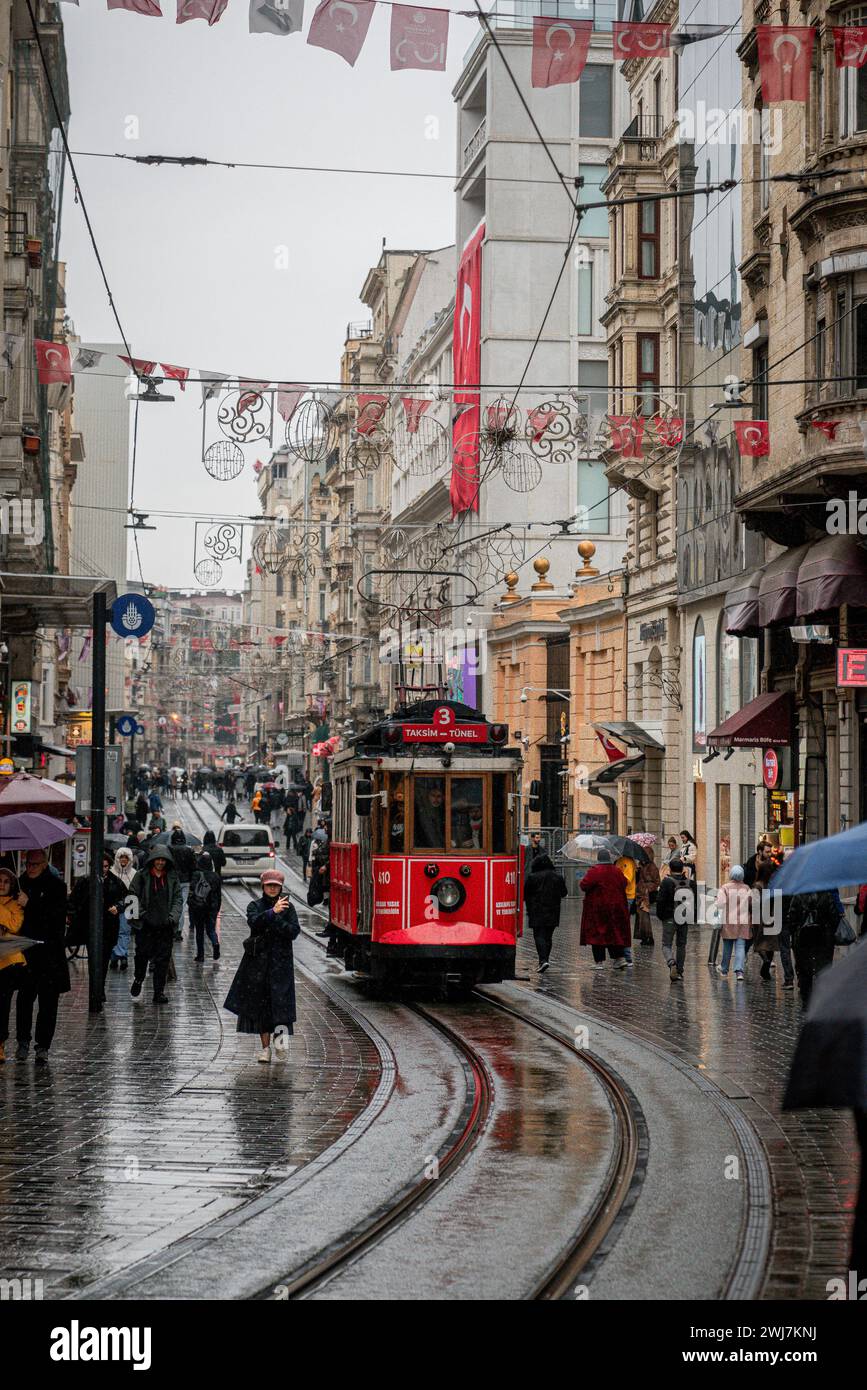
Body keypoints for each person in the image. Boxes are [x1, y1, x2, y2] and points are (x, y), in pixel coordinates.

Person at [224, 869, 300, 1064]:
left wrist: (277, 918)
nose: (272, 889)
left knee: (281, 1007)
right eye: (269, 885)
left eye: (276, 885)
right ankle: (265, 1049)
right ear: (263, 886)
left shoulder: (289, 908)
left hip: (281, 964)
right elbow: (254, 923)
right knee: (262, 1008)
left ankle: (280, 1043)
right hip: (258, 964)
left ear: (281, 887)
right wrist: (271, 913)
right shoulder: (255, 905)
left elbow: (293, 932)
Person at [15, 850, 69, 1061]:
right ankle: (22, 1041)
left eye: (35, 864)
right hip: (26, 953)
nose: (30, 868)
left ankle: (42, 1045)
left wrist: (31, 904)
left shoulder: (57, 887)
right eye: (28, 864)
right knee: (24, 1000)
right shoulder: (19, 884)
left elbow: (55, 920)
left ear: (45, 864)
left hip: (49, 954)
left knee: (48, 1003)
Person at [128, 846, 182, 1005]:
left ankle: (159, 992)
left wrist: (172, 918)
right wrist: (143, 915)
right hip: (146, 926)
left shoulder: (172, 877)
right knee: (142, 955)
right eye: (157, 860)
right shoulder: (141, 876)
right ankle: (138, 979)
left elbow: (178, 899)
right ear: (152, 860)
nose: (160, 863)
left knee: (162, 960)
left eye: (163, 860)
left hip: (165, 926)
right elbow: (132, 896)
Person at [69, 851, 126, 999]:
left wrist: (118, 907)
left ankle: (99, 988)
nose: (104, 869)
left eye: (106, 866)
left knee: (104, 958)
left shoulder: (116, 882)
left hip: (108, 926)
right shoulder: (85, 881)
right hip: (90, 927)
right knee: (94, 959)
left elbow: (126, 899)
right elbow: (74, 902)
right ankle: (96, 990)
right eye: (100, 867)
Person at [578, 849, 630, 969]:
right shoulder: (617, 871)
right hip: (616, 907)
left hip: (598, 908)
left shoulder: (595, 871)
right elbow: (624, 883)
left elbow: (584, 885)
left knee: (598, 933)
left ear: (598, 858)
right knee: (615, 932)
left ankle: (599, 961)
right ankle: (619, 958)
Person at [787, 891, 839, 1005]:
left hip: (802, 940)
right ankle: (823, 1000)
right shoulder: (827, 896)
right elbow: (834, 918)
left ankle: (806, 1001)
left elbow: (791, 919)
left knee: (804, 970)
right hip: (823, 939)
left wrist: (795, 933)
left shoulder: (798, 896)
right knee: (824, 969)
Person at [0, 867, 28, 1063]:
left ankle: (0, 1044)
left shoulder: (15, 905)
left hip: (8, 963)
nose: (1, 885)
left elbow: (15, 925)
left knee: (2, 1007)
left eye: (5, 881)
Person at [656, 855, 697, 983]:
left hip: (669, 917)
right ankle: (679, 971)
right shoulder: (690, 883)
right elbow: (696, 902)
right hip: (684, 917)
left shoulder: (667, 882)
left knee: (666, 944)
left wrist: (661, 916)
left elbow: (660, 901)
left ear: (670, 869)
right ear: (682, 868)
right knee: (681, 945)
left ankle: (671, 962)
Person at [524, 853, 567, 973]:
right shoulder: (558, 877)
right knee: (548, 936)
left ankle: (543, 960)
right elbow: (564, 893)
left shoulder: (532, 877)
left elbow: (525, 893)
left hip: (536, 911)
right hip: (553, 911)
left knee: (539, 935)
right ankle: (545, 960)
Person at [714, 865, 752, 981]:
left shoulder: (725, 888)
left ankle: (724, 969)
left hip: (728, 921)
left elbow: (720, 904)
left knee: (727, 946)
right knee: (740, 946)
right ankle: (739, 971)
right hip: (743, 922)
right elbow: (751, 904)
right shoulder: (746, 888)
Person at [189, 853, 222, 963]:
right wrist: (217, 908)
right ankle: (215, 943)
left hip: (199, 906)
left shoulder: (197, 874)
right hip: (212, 906)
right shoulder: (216, 876)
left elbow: (192, 889)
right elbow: (218, 894)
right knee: (210, 929)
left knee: (199, 931)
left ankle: (200, 955)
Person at [110, 847, 137, 971]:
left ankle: (119, 955)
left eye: (126, 858)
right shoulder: (111, 873)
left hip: (129, 907)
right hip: (113, 907)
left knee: (124, 932)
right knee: (113, 932)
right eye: (122, 857)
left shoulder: (134, 874)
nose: (124, 860)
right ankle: (118, 956)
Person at [169, 826, 196, 939]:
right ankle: (179, 930)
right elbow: (193, 867)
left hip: (171, 880)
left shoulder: (169, 848)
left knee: (171, 904)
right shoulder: (189, 850)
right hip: (185, 881)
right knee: (182, 905)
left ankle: (171, 928)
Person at [635, 849, 660, 945]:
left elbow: (657, 882)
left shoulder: (652, 867)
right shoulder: (641, 865)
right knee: (640, 916)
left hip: (646, 896)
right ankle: (643, 936)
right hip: (639, 893)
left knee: (644, 916)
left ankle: (648, 937)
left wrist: (647, 888)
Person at [615, 853, 637, 964]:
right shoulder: (618, 861)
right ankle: (621, 953)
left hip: (628, 896)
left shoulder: (628, 862)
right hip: (619, 895)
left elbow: (627, 879)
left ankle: (627, 955)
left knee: (623, 925)